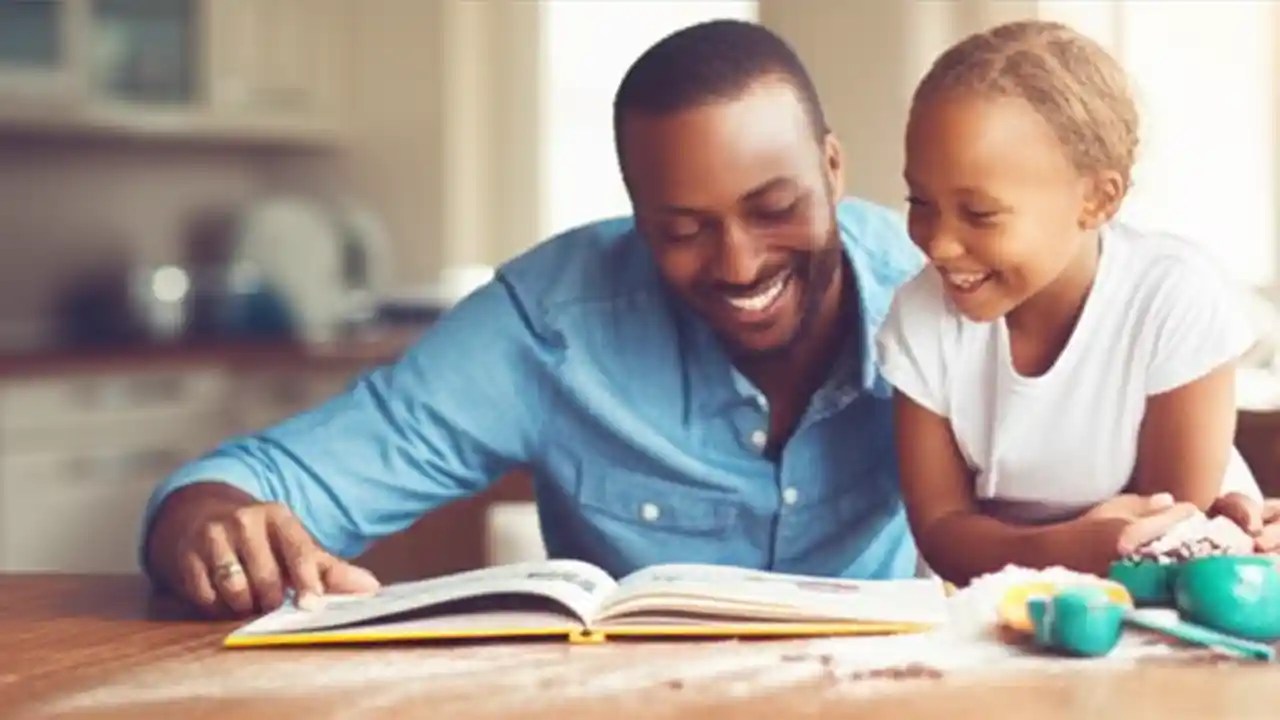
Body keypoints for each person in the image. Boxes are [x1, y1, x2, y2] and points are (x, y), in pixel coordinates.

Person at [141, 19, 935, 618]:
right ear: (637, 214)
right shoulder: (550, 325)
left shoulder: (936, 298)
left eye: (774, 208)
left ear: (832, 168)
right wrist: (214, 530)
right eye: (683, 230)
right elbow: (241, 487)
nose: (736, 264)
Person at [876, 19, 1268, 586]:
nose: (938, 243)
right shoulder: (921, 319)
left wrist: (1036, 549)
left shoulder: (1172, 297)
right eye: (921, 202)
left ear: (1096, 199)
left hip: (1174, 603)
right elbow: (940, 532)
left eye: (980, 214)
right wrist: (1068, 548)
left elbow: (1172, 525)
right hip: (1001, 613)